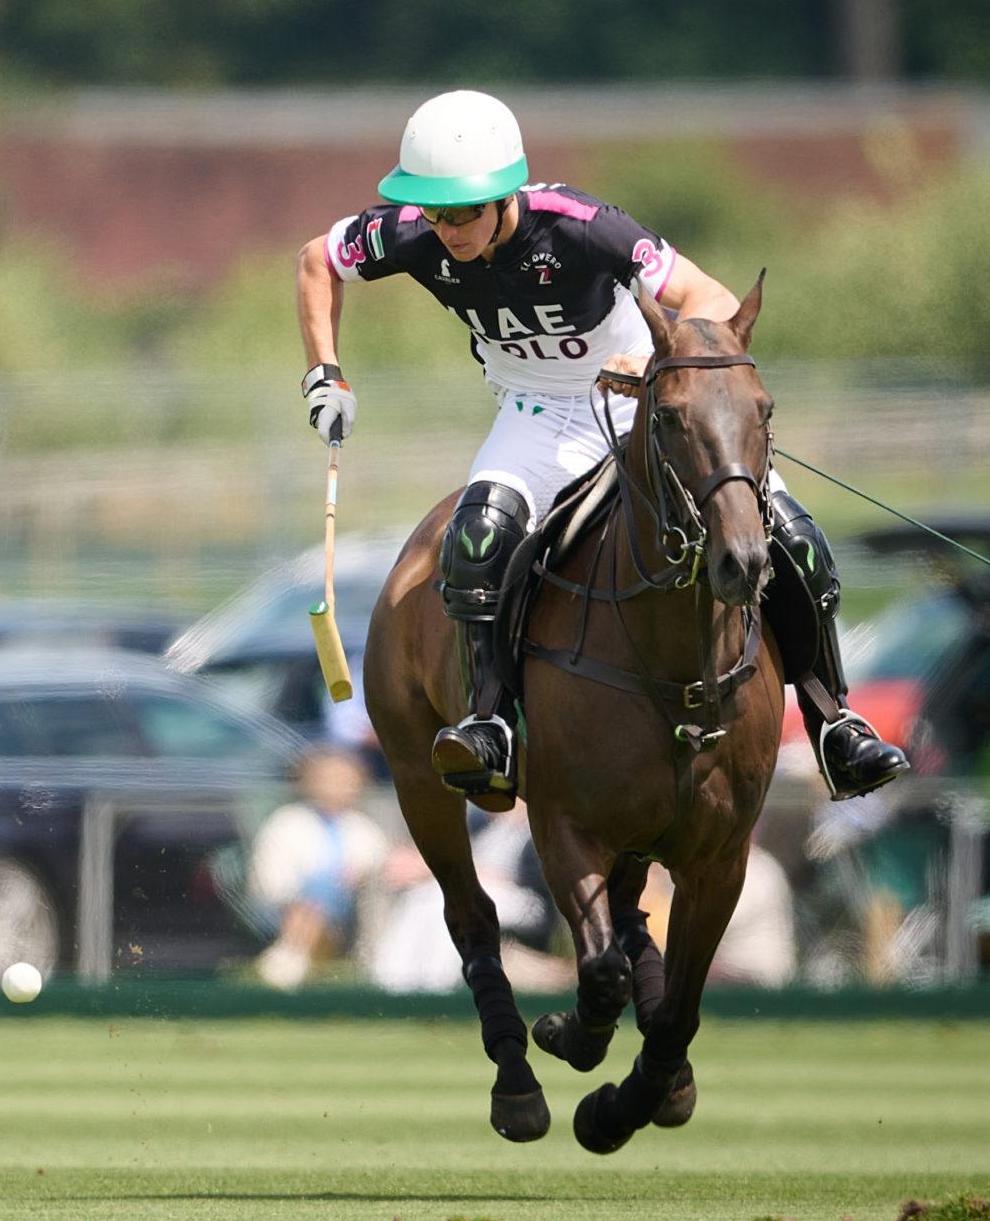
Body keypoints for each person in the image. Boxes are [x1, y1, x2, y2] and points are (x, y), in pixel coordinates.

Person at [294, 90, 908, 805]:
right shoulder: (411, 231)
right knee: (475, 539)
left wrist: (655, 364)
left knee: (797, 541)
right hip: (533, 415)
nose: (448, 229)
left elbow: (706, 296)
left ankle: (834, 720)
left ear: (504, 194)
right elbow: (316, 260)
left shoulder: (585, 228)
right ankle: (490, 721)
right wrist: (324, 373)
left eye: (463, 211)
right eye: (434, 211)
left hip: (640, 410)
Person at [247, 745, 391, 990]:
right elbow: (270, 877)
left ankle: (290, 956)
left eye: (346, 781)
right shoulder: (288, 821)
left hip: (349, 908)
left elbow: (379, 868)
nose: (338, 788)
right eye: (330, 780)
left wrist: (356, 876)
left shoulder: (363, 827)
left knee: (325, 886)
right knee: (319, 887)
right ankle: (295, 953)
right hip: (282, 907)